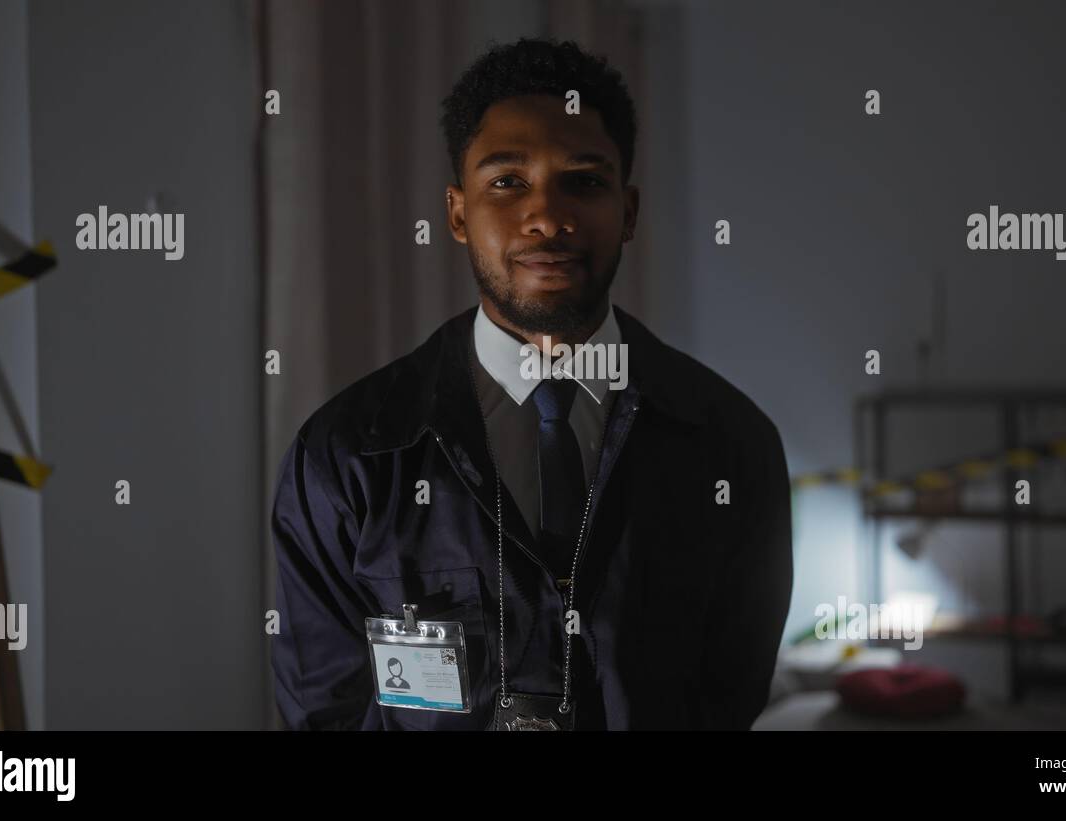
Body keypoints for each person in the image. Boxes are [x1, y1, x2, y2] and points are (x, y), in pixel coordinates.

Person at [271, 37, 792, 730]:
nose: (547, 217)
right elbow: (322, 711)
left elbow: (731, 696)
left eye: (584, 180)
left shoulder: (731, 445)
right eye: (508, 182)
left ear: (629, 211)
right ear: (458, 213)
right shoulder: (345, 454)